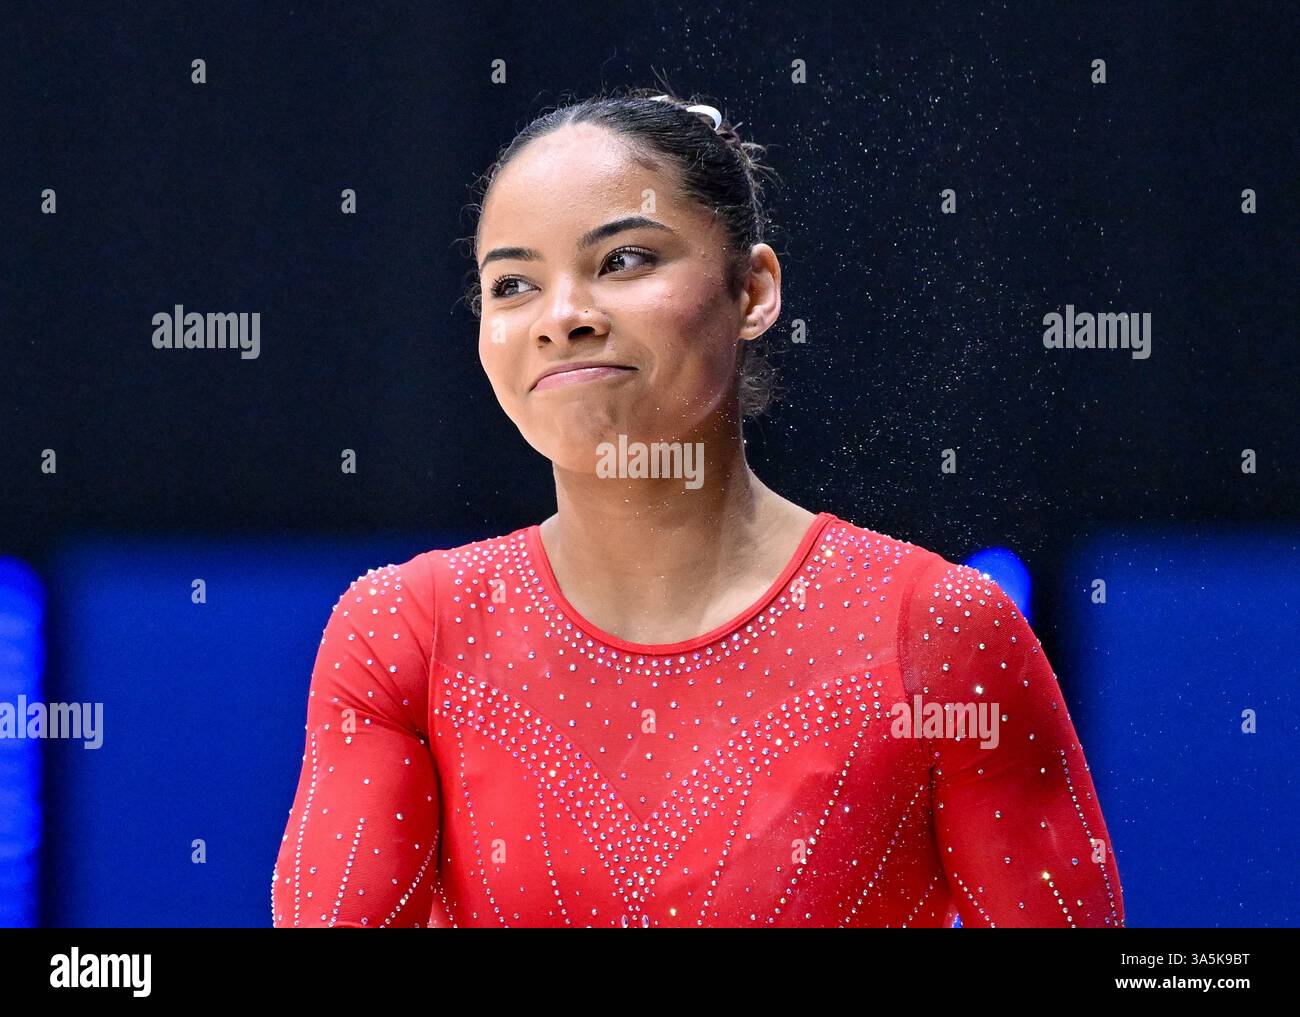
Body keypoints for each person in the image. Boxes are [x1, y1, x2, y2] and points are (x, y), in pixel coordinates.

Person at [271, 88, 1125, 928]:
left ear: (752, 290)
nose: (562, 316)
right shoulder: (404, 637)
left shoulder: (938, 631)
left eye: (624, 260)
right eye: (513, 284)